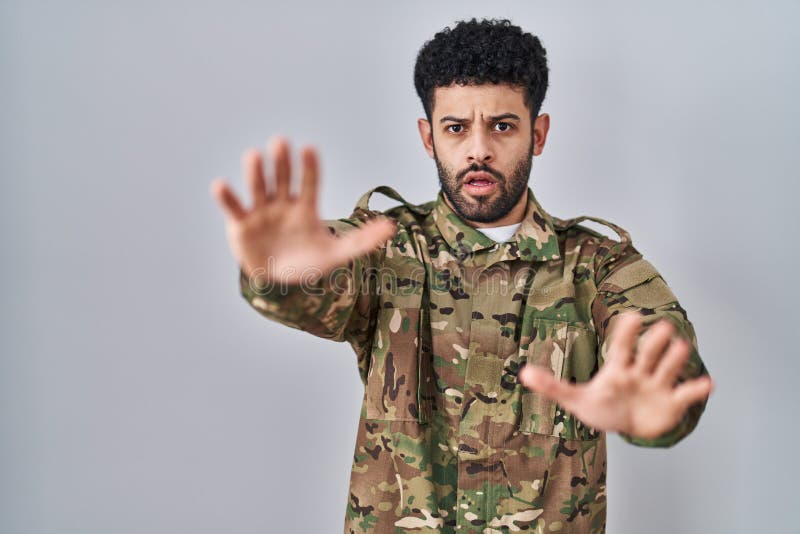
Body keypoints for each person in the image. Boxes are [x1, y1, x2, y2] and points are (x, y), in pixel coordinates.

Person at [210, 18, 714, 534]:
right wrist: (279, 274)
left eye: (502, 126)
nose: (478, 150)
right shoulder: (387, 251)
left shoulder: (597, 265)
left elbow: (662, 347)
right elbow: (316, 287)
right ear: (428, 137)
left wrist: (661, 402)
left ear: (538, 134)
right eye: (456, 128)